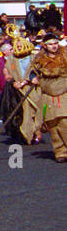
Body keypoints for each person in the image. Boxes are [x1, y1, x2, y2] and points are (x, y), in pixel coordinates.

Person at [26, 32, 67, 162]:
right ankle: (60, 152)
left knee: (64, 122)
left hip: (63, 93)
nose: (54, 46)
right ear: (45, 46)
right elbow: (32, 73)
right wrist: (33, 78)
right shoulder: (39, 60)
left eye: (56, 43)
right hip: (48, 96)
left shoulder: (65, 56)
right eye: (51, 44)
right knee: (52, 125)